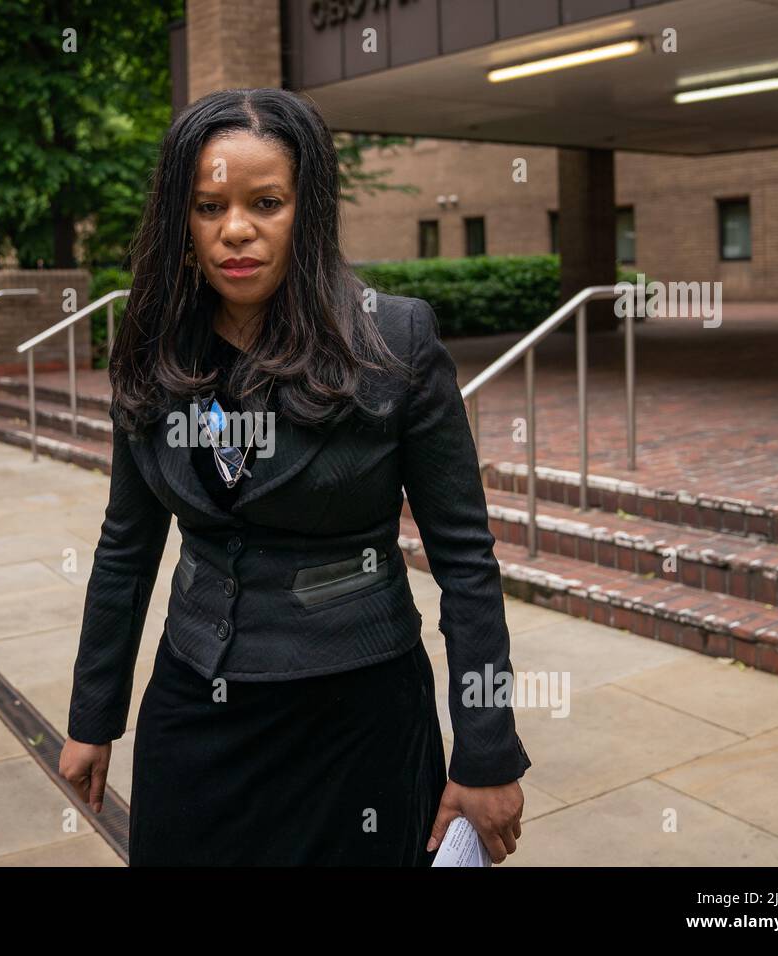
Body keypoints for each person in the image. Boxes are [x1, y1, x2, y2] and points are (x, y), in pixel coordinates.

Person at [59, 88, 532, 866]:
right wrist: (93, 715)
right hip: (197, 708)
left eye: (266, 202)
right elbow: (124, 548)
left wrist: (487, 751)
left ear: (305, 211)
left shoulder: (395, 341)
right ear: (181, 217)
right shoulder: (151, 351)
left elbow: (466, 561)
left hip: (356, 716)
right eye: (209, 206)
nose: (235, 230)